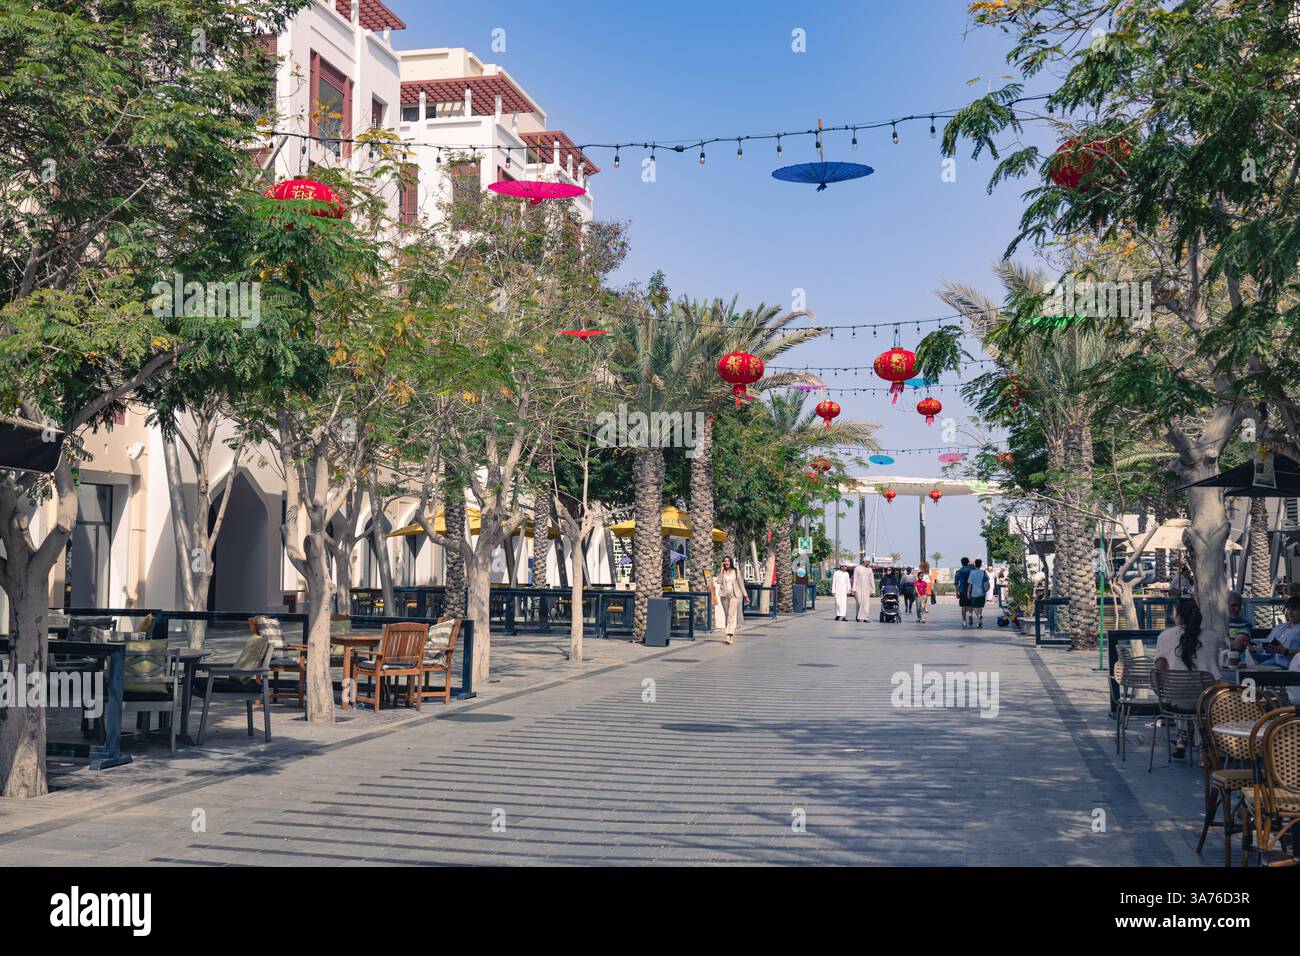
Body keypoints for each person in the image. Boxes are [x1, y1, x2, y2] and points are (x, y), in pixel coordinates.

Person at [1153, 598, 1218, 757]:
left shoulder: (1165, 636)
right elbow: (1215, 668)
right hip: (1206, 700)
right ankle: (1204, 744)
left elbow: (1160, 667)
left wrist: (1159, 687)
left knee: (1180, 689)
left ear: (1179, 617)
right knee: (1205, 693)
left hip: (1175, 698)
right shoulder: (1212, 637)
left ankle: (1182, 736)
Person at [1257, 596, 1300, 666]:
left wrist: (1285, 651)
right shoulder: (1281, 626)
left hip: (1286, 661)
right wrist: (1255, 648)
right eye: (1288, 609)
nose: (1290, 612)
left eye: (1294, 609)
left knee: (1261, 667)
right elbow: (1266, 643)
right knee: (1245, 657)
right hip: (1269, 655)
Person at [715, 556, 746, 646]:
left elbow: (740, 583)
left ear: (731, 562)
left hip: (734, 595)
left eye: (728, 561)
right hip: (724, 595)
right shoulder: (721, 571)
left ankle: (729, 634)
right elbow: (719, 581)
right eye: (725, 561)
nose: (727, 563)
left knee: (731, 615)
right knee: (727, 615)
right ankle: (728, 635)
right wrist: (721, 570)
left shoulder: (736, 571)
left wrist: (745, 594)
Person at [966, 559, 991, 628]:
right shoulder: (984, 572)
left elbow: (970, 584)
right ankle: (979, 619)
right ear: (980, 564)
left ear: (975, 564)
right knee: (980, 607)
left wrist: (968, 592)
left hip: (974, 593)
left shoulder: (972, 573)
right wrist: (985, 591)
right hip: (982, 593)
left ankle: (978, 617)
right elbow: (988, 584)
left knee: (974, 607)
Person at [954, 557, 973, 627]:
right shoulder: (971, 571)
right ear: (968, 562)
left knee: (963, 606)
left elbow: (956, 583)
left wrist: (956, 592)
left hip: (962, 590)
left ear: (961, 563)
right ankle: (970, 615)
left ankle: (964, 621)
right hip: (970, 590)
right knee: (970, 604)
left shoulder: (958, 571)